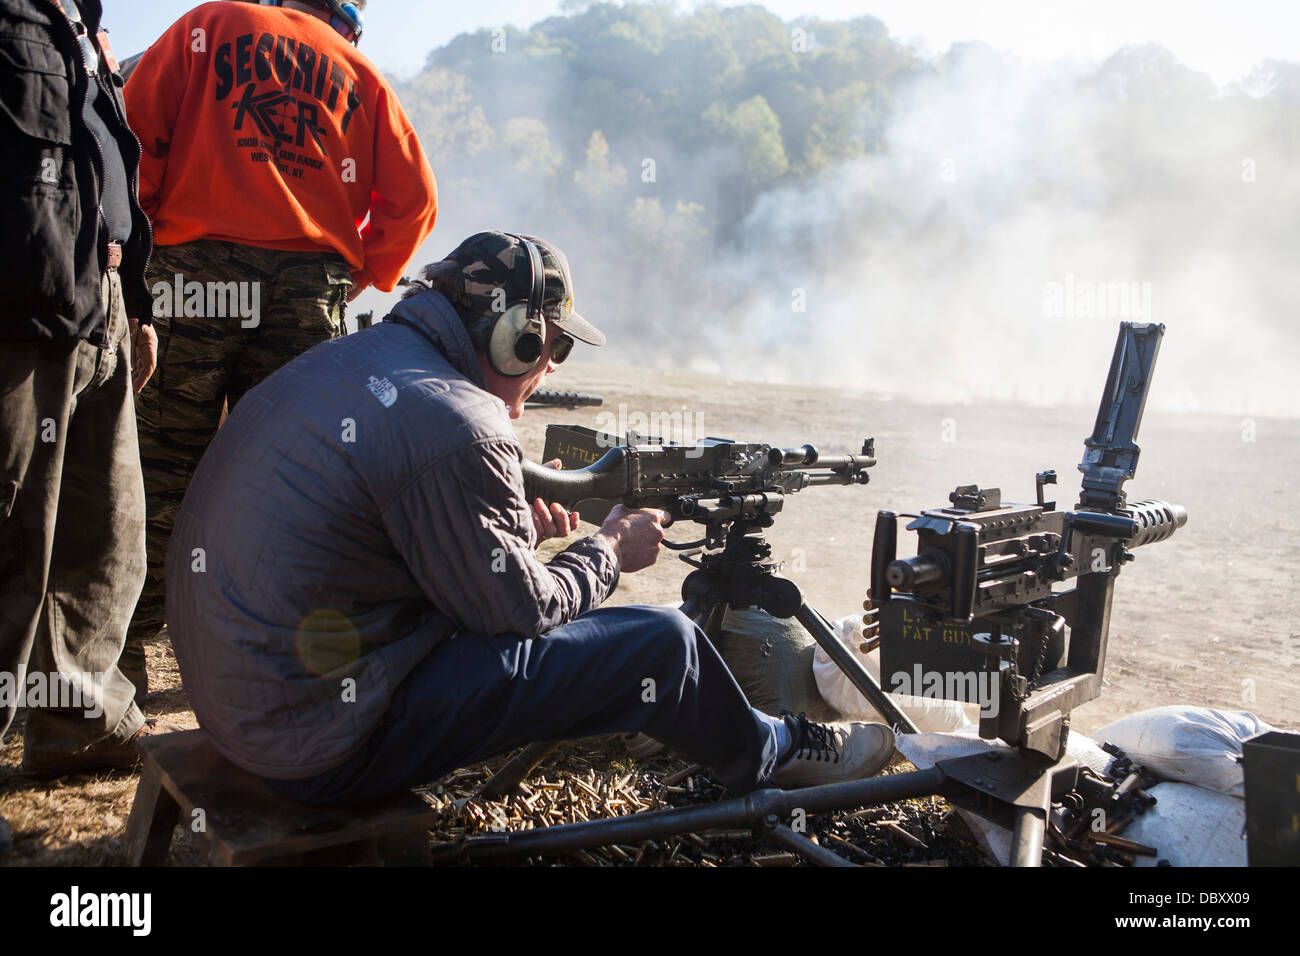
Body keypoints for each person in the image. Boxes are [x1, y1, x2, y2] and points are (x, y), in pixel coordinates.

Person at [165, 231, 895, 805]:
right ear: (514, 334)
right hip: (319, 746)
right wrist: (607, 549)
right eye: (556, 345)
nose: (552, 366)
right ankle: (777, 751)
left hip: (242, 703)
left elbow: (365, 544)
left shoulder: (343, 362)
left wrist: (508, 535)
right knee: (664, 643)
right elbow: (518, 613)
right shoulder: (461, 421)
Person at [120, 0, 438, 694]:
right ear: (347, 19)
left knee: (160, 464)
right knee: (295, 480)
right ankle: (272, 663)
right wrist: (357, 274)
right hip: (304, 286)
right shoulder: (361, 73)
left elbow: (131, 135)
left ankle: (125, 659)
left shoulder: (213, 23)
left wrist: (142, 240)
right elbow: (414, 203)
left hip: (192, 273)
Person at [0, 0, 172, 782]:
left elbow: (103, 165)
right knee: (11, 540)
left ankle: (78, 723)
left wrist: (133, 300)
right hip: (15, 307)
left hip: (94, 292)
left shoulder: (73, 18)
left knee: (106, 534)